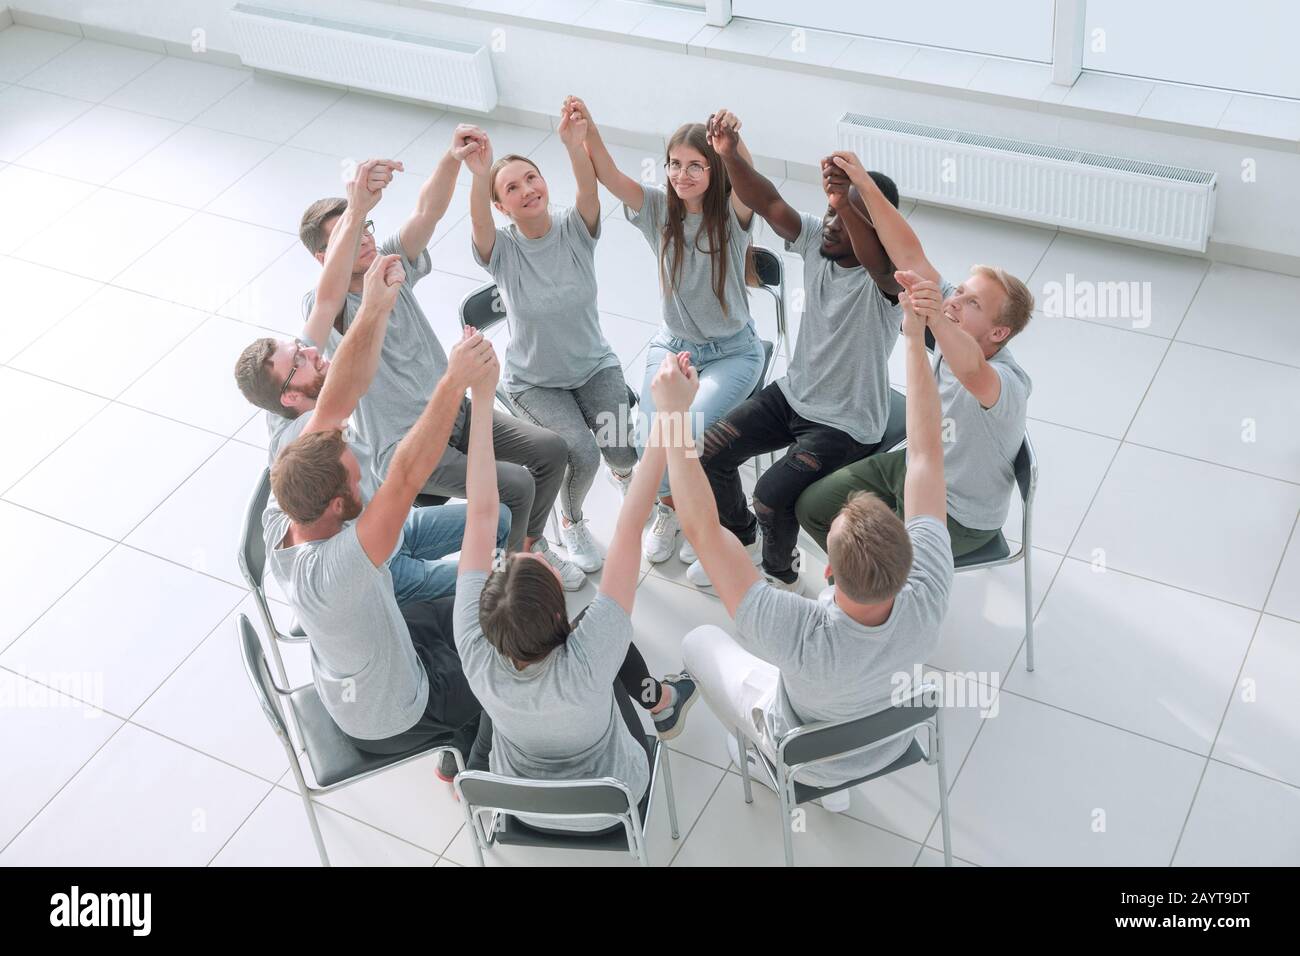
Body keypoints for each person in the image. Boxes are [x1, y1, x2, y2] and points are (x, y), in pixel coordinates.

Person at [656, 275, 953, 810]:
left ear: (832, 574)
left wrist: (675, 415)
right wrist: (913, 335)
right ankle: (832, 785)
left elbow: (701, 527)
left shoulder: (795, 630)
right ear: (911, 555)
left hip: (805, 748)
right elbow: (927, 453)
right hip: (885, 744)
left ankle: (776, 765)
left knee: (700, 641)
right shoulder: (930, 591)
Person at [296, 124, 584, 587]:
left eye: (365, 228)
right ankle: (510, 585)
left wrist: (453, 159)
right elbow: (329, 292)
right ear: (323, 258)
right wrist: (355, 209)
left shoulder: (390, 263)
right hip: (407, 444)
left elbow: (427, 211)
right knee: (516, 484)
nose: (365, 238)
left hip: (455, 412)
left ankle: (527, 547)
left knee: (551, 451)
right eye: (349, 237)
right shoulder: (323, 307)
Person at [235, 162, 507, 605]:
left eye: (299, 346)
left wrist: (360, 204)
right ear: (287, 395)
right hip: (372, 558)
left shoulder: (306, 384)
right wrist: (378, 309)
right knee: (491, 585)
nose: (311, 351)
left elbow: (324, 303)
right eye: (299, 360)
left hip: (392, 524)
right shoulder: (307, 433)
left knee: (501, 522)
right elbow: (398, 473)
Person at [453, 342, 698, 832]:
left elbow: (482, 513)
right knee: (615, 655)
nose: (530, 550)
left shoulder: (472, 646)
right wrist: (672, 415)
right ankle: (661, 702)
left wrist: (482, 399)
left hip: (522, 803)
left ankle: (660, 700)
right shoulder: (591, 653)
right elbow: (631, 527)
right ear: (561, 618)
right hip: (611, 808)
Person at [685, 113, 905, 592]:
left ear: (874, 228)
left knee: (770, 494)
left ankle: (780, 572)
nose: (829, 223)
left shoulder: (887, 283)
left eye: (845, 218)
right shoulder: (813, 239)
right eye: (829, 213)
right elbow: (765, 199)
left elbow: (882, 265)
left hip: (847, 423)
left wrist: (847, 202)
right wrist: (728, 154)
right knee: (705, 451)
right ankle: (738, 539)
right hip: (794, 396)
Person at [263, 323, 500, 765]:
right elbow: (407, 473)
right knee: (503, 662)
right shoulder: (337, 568)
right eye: (355, 482)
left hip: (383, 655)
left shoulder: (282, 510)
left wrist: (374, 304)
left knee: (488, 610)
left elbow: (332, 407)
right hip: (394, 715)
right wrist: (461, 385)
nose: (363, 483)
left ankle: (468, 739)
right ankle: (471, 767)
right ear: (336, 505)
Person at [796, 151, 1034, 558]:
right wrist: (862, 186)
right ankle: (867, 588)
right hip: (913, 466)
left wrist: (931, 320)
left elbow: (972, 369)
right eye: (958, 291)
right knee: (813, 507)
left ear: (998, 332)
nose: (955, 302)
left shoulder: (1008, 384)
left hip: (959, 513)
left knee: (883, 560)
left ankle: (879, 598)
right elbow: (909, 254)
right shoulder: (954, 318)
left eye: (972, 303)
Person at [570, 96, 767, 564]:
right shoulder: (659, 209)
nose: (682, 175)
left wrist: (734, 145)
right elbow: (611, 176)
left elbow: (749, 183)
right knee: (645, 442)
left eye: (695, 166)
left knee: (684, 435)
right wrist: (589, 128)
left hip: (733, 353)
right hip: (673, 346)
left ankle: (706, 524)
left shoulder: (731, 215)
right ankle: (670, 509)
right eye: (675, 165)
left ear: (714, 170)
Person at [466, 99, 637, 575]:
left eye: (531, 178)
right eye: (512, 188)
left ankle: (626, 478)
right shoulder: (501, 251)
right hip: (535, 380)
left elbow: (589, 187)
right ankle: (572, 519)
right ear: (501, 206)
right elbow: (478, 222)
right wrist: (481, 175)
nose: (526, 190)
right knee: (577, 451)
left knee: (620, 445)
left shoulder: (574, 229)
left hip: (592, 363)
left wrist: (573, 142)